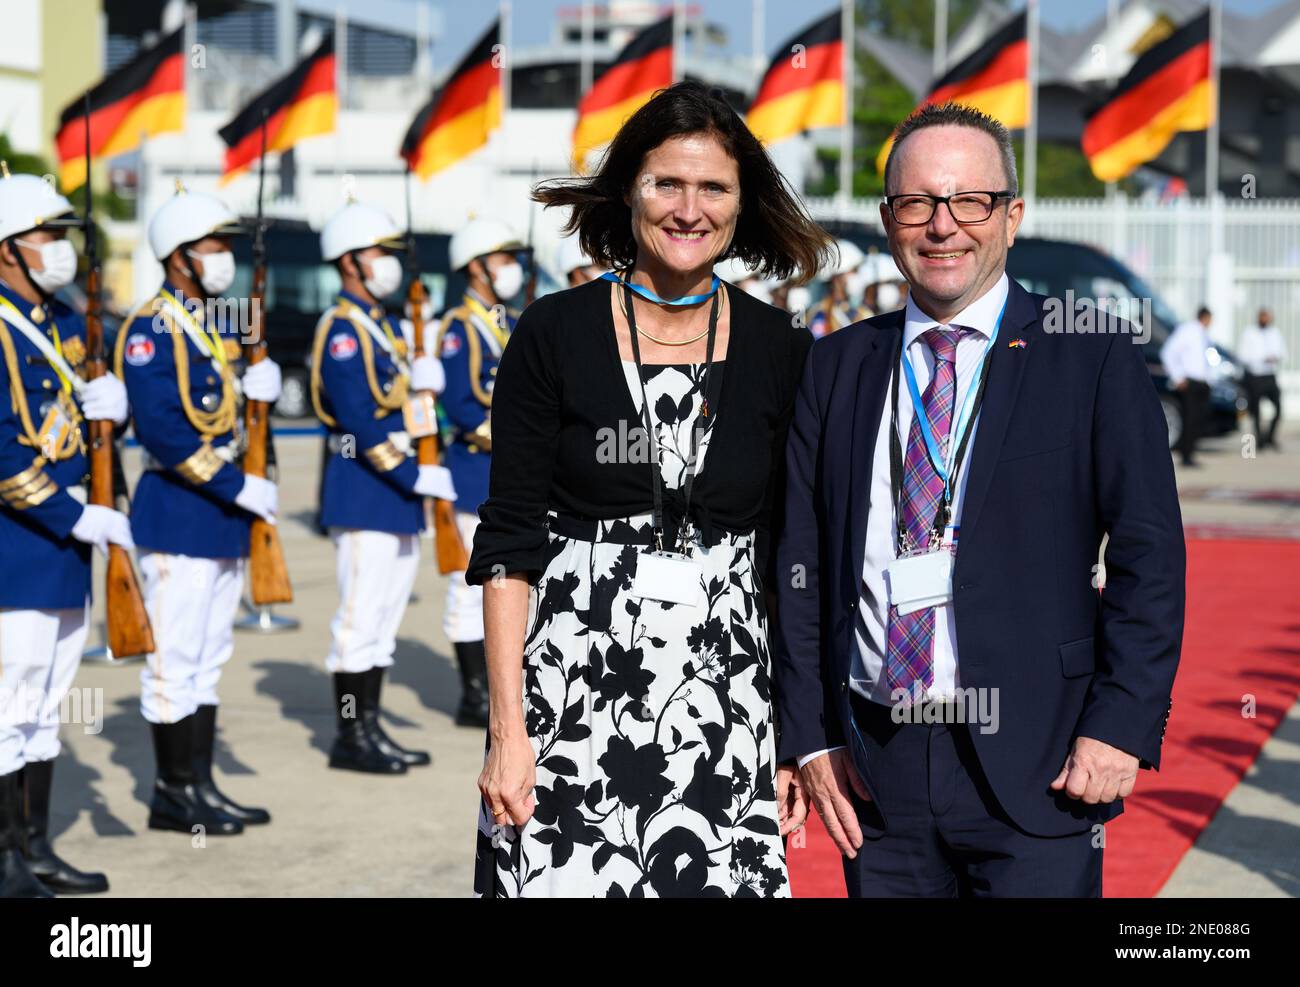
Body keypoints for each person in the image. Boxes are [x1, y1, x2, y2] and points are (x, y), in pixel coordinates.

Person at [775, 102, 1185, 897]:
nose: (943, 226)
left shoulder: (1089, 355)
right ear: (888, 217)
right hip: (877, 772)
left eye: (970, 201)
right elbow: (800, 559)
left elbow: (1149, 555)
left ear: (1012, 214)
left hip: (1043, 762)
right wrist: (811, 736)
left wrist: (1119, 726)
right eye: (918, 203)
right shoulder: (835, 367)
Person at [466, 80, 833, 897]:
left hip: (725, 707)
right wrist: (507, 730)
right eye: (667, 181)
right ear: (630, 185)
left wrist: (790, 739)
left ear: (743, 203)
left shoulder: (780, 347)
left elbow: (787, 554)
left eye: (714, 187)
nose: (688, 208)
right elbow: (508, 541)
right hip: (571, 704)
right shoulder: (552, 332)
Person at [115, 184, 282, 836]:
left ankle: (202, 784)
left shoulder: (218, 321)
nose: (224, 257)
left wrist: (256, 386)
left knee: (208, 658)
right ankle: (172, 791)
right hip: (179, 512)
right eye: (213, 245)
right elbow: (161, 428)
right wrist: (235, 483)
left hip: (220, 520)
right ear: (180, 255)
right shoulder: (149, 328)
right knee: (172, 660)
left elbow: (224, 406)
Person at [0, 170, 131, 896]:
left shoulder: (58, 321)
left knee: (45, 706)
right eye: (49, 235)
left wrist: (118, 412)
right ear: (9, 247)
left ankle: (35, 849)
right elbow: (0, 448)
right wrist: (72, 513)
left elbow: (83, 428)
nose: (61, 249)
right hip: (17, 548)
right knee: (7, 705)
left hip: (62, 549)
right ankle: (3, 862)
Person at [312, 200, 455, 773]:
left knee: (384, 622)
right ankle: (350, 735)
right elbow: (358, 420)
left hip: (396, 497)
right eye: (379, 254)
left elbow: (399, 407)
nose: (389, 264)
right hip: (366, 489)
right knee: (357, 622)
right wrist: (409, 471)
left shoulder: (387, 326)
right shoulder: (343, 330)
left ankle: (370, 728)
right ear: (350, 263)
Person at [434, 218, 524, 728]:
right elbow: (463, 407)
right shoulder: (459, 329)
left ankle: (493, 688)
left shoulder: (507, 322)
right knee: (470, 589)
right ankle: (473, 694)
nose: (512, 269)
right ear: (476, 266)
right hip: (473, 471)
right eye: (503, 258)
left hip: (504, 475)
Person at [1159, 306, 1214, 467]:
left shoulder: (1203, 334)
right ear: (1205, 317)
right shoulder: (1188, 331)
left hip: (1202, 383)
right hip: (1190, 383)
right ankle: (1186, 456)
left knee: (1197, 419)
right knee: (1189, 420)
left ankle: (1190, 453)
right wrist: (1177, 377)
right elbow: (1168, 352)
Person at [1238, 307, 1285, 450]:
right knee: (1256, 410)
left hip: (1270, 375)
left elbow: (1282, 352)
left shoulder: (1275, 333)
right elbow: (1242, 355)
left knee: (1278, 408)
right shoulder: (1249, 333)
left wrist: (1274, 357)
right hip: (1255, 375)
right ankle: (1259, 441)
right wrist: (1260, 358)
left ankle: (1269, 437)